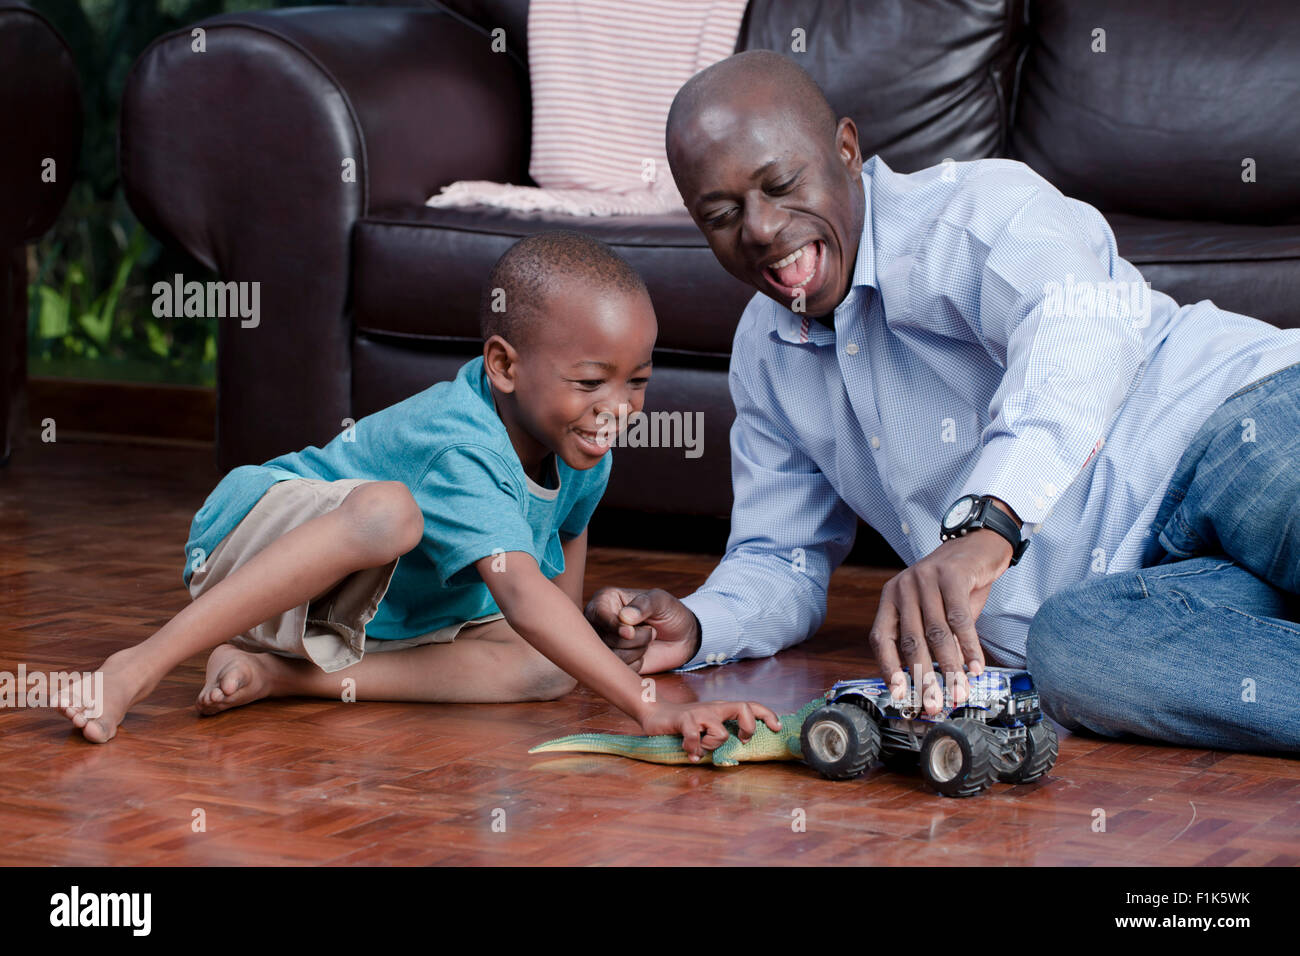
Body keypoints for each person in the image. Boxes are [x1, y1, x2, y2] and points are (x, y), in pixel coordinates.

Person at [585, 51, 1300, 753]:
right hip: (1142, 587)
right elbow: (780, 555)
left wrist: (987, 529)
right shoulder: (765, 353)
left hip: (1237, 426)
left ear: (845, 150)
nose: (761, 228)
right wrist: (699, 626)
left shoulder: (976, 212)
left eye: (782, 183)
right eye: (721, 214)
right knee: (1074, 654)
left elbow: (1080, 339)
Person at [60, 230, 780, 754]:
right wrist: (647, 706)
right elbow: (520, 593)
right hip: (247, 549)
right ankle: (138, 665)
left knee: (549, 670)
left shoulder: (584, 445)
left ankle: (279, 677)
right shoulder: (461, 441)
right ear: (504, 366)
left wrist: (592, 625)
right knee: (389, 513)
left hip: (349, 621)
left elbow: (551, 588)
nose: (617, 409)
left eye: (638, 381)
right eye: (591, 382)